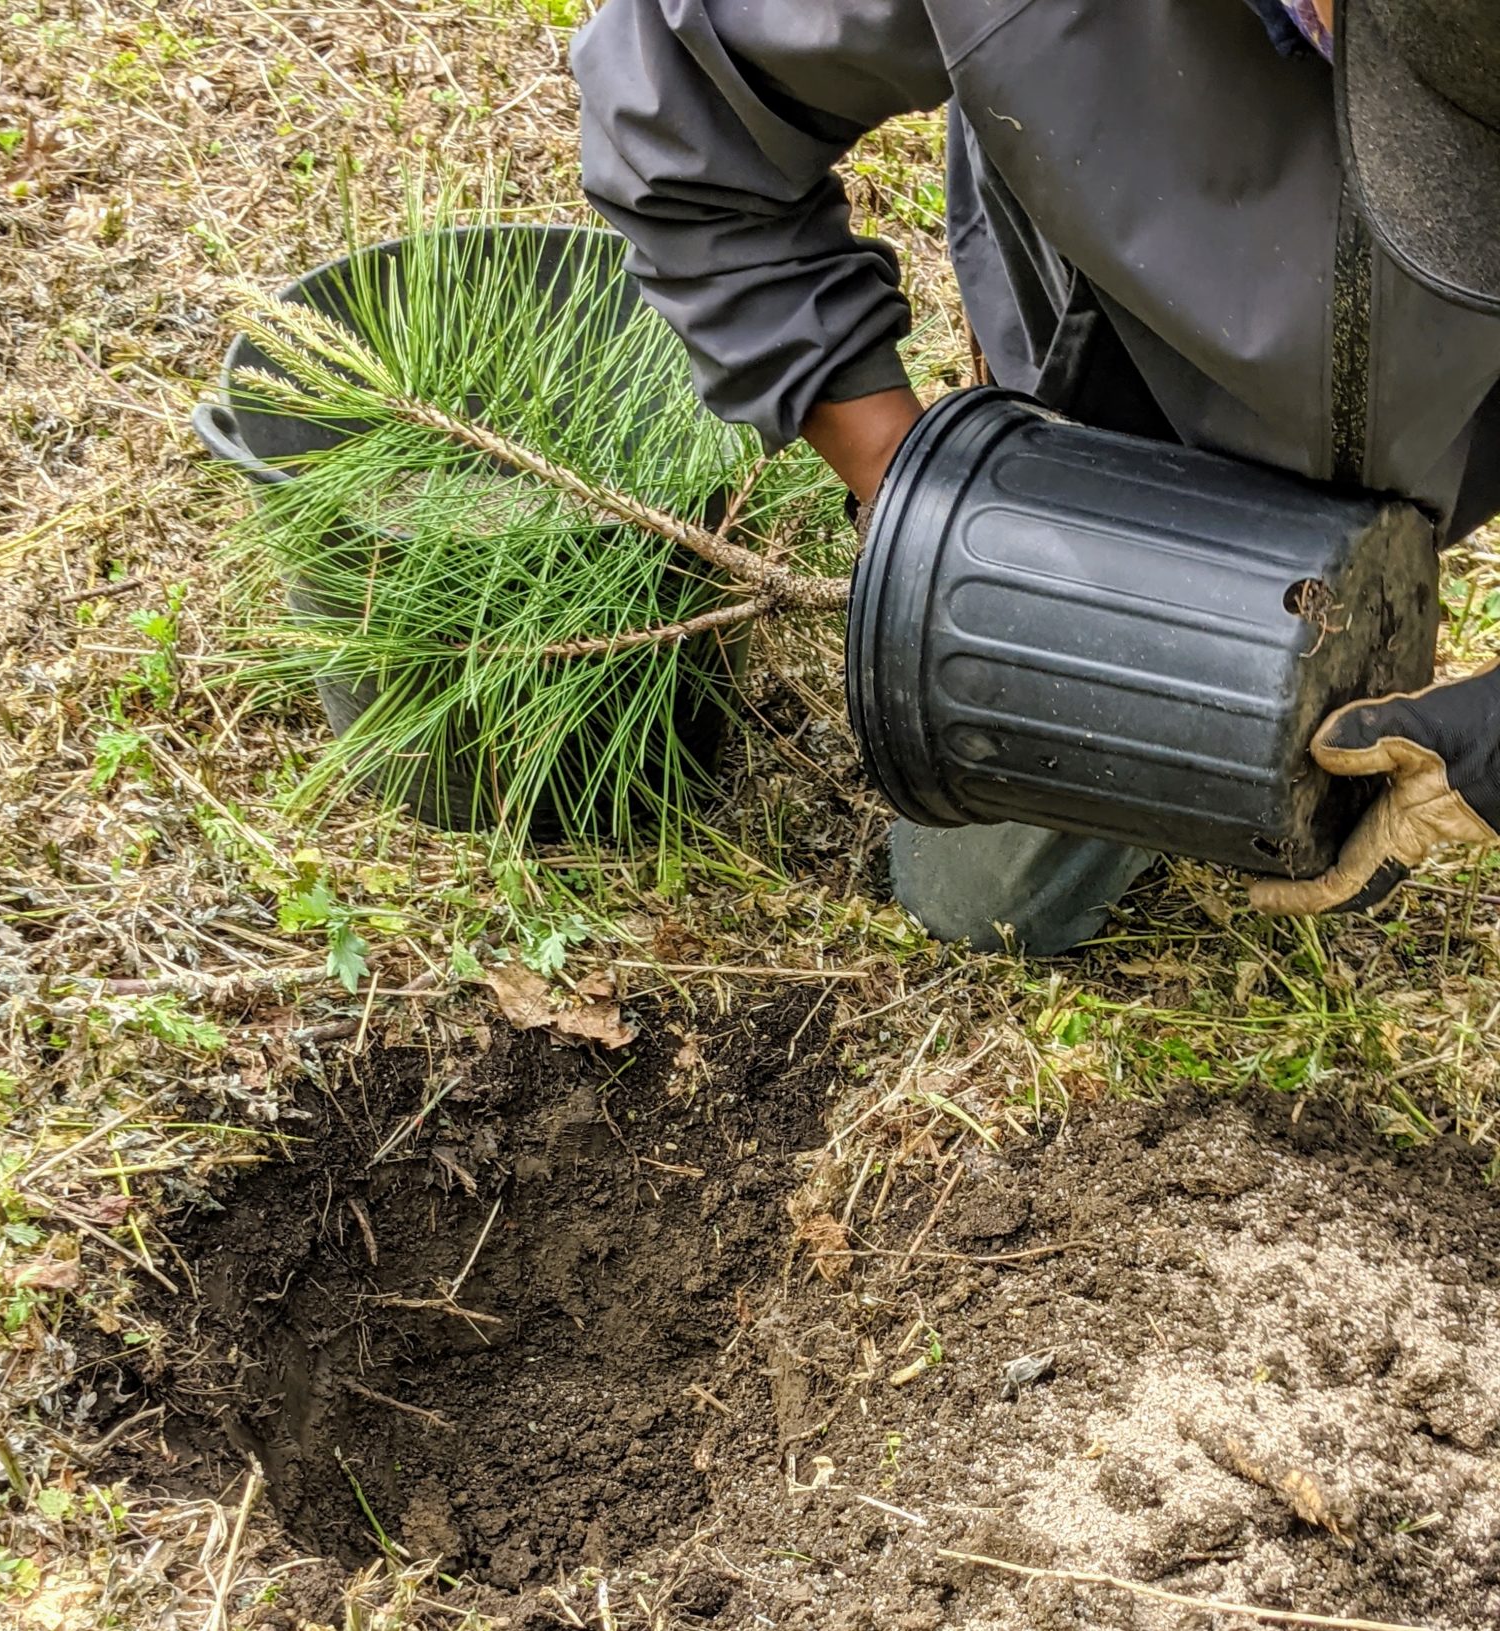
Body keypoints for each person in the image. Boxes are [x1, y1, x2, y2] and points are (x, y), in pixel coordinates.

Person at [571, 0, 1500, 950]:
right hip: (1114, 429)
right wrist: (917, 495)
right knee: (990, 903)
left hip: (1438, 443)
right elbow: (673, 113)